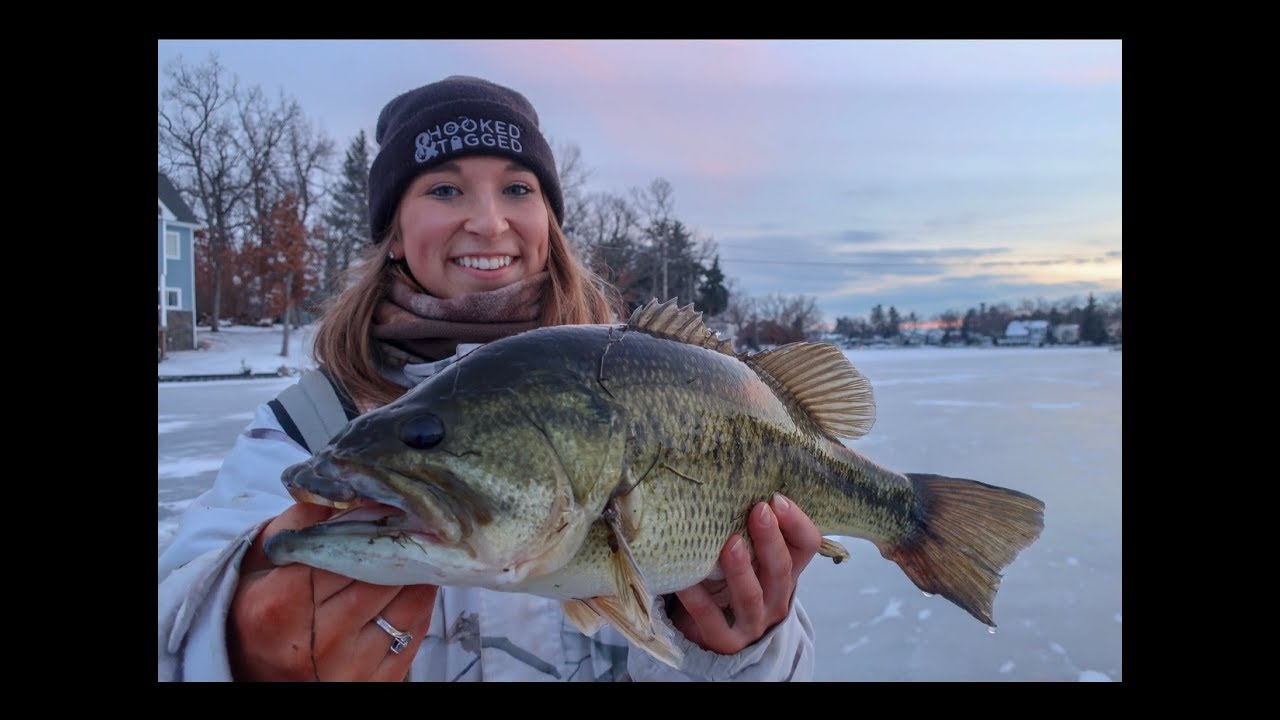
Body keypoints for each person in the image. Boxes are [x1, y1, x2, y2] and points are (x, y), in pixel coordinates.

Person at [158, 76, 822, 682]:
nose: (488, 220)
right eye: (444, 189)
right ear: (393, 231)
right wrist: (234, 642)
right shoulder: (306, 429)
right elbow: (174, 615)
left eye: (517, 188)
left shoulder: (652, 385)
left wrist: (738, 649)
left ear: (550, 223)